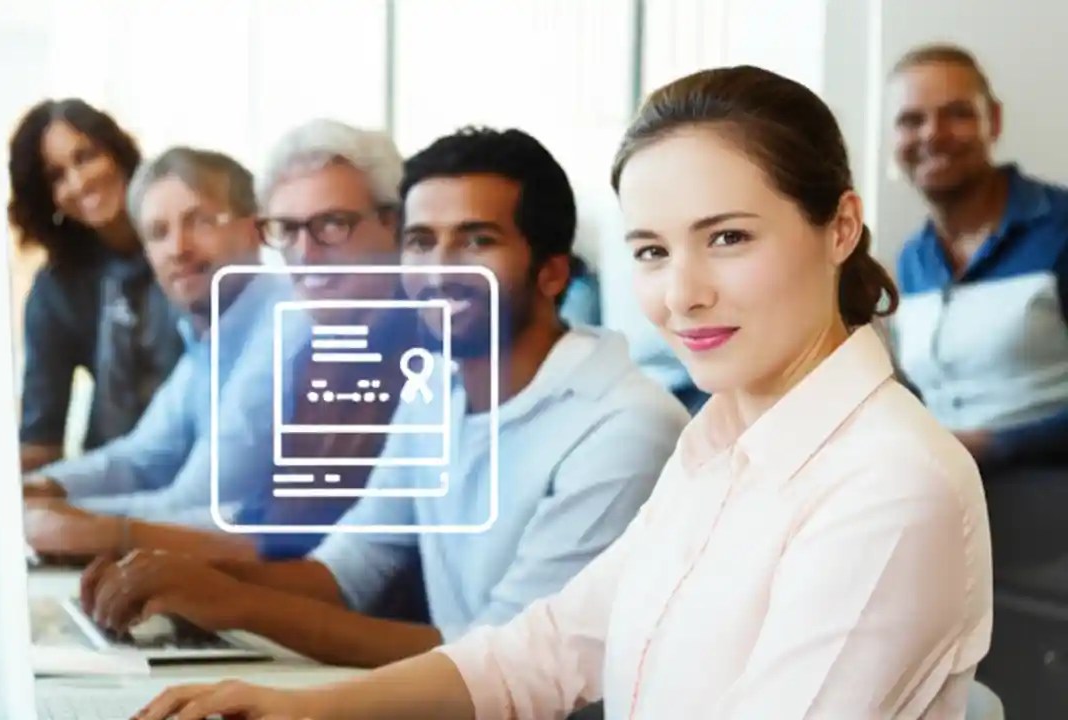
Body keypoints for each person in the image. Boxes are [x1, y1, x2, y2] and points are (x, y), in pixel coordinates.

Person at [131, 66, 993, 720]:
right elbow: (539, 653)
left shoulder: (888, 481)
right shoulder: (719, 444)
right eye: (652, 251)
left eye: (727, 238)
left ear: (840, 226)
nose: (682, 294)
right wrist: (298, 710)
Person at [86, 126, 687, 673]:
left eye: (476, 241)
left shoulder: (622, 426)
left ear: (553, 273)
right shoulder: (436, 391)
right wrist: (185, 579)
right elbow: (352, 566)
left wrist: (233, 600)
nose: (441, 270)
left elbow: (501, 659)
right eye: (422, 243)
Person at [887, 43, 1068, 714]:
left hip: (1044, 489)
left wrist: (997, 444)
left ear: (993, 121)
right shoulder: (910, 261)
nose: (932, 134)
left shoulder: (1061, 228)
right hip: (949, 492)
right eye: (911, 120)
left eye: (955, 113)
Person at [21, 146, 296, 562]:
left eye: (200, 222)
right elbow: (140, 459)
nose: (177, 248)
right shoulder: (209, 339)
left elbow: (194, 502)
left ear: (254, 228)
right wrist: (40, 489)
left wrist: (58, 521)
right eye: (157, 233)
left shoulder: (284, 326)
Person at [8, 98, 182, 472]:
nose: (78, 182)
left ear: (117, 153)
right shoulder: (57, 290)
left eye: (86, 156)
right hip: (109, 475)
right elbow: (42, 440)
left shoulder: (183, 249)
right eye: (56, 176)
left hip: (203, 471)